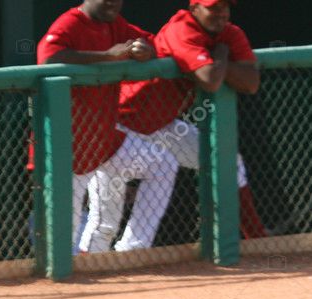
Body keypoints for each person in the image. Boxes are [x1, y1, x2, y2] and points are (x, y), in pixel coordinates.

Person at [102, 0, 266, 246]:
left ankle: (257, 240)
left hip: (162, 125)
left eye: (225, 7)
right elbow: (209, 80)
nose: (221, 13)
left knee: (226, 159)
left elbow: (251, 83)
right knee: (103, 221)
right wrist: (220, 55)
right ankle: (79, 273)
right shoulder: (182, 29)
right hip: (122, 124)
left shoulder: (231, 33)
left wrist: (218, 63)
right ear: (194, 9)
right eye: (213, 8)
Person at [37, 0, 179, 253]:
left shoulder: (115, 24)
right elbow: (48, 57)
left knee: (162, 164)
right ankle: (67, 281)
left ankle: (132, 249)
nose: (114, 2)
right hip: (66, 143)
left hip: (104, 139)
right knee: (61, 245)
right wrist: (106, 56)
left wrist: (147, 50)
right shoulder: (71, 23)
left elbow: (153, 43)